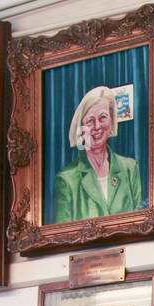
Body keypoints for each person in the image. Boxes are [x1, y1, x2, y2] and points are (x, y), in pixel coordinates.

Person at [52, 86, 143, 222]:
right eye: (90, 120)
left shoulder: (130, 168)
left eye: (103, 117)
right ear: (81, 128)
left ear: (111, 121)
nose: (97, 126)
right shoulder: (66, 180)